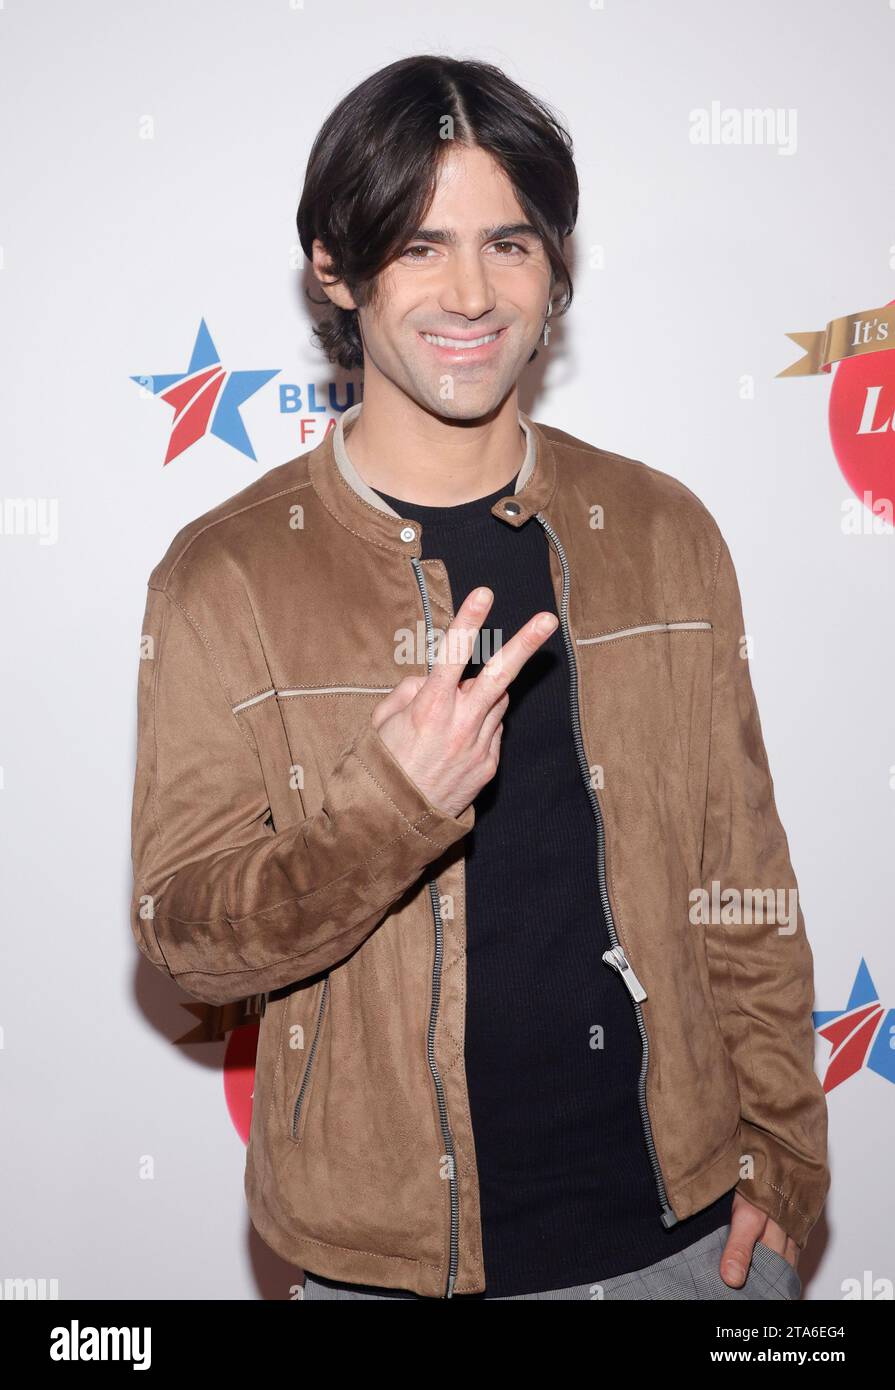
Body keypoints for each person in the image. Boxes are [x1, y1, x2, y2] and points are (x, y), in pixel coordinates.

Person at [129, 54, 830, 1301]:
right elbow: (185, 942)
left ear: (556, 268)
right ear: (334, 272)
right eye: (418, 245)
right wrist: (387, 811)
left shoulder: (663, 530)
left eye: (508, 244)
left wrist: (785, 1154)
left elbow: (744, 884)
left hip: (693, 1242)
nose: (469, 293)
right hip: (385, 1267)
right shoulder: (223, 577)